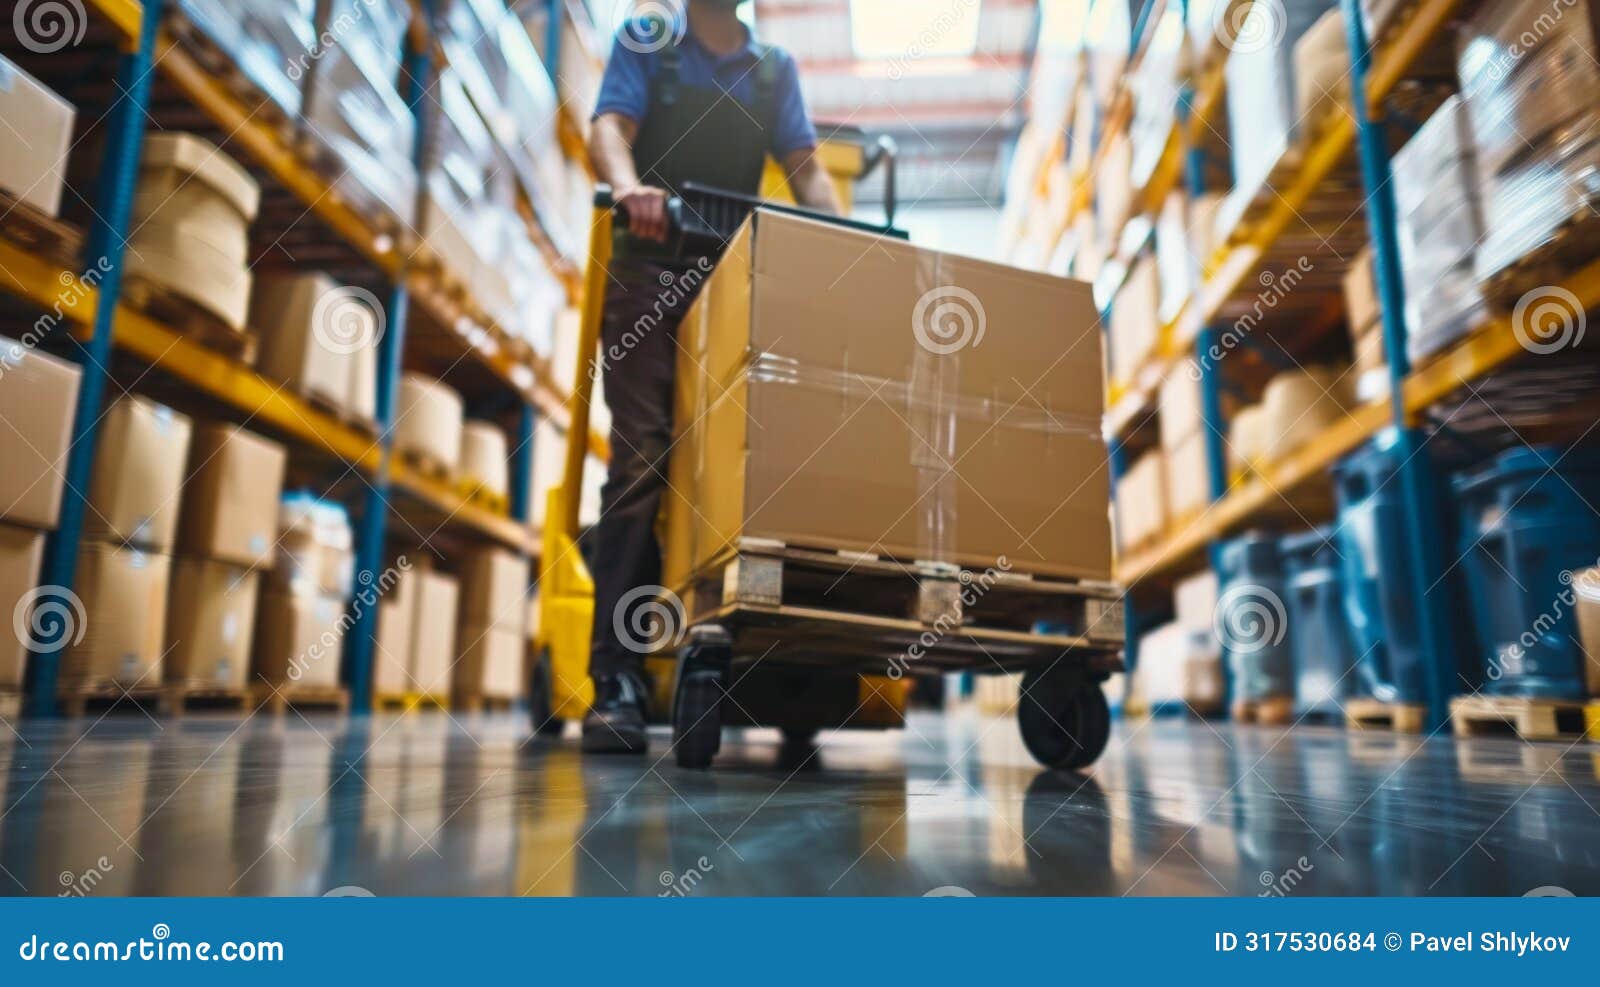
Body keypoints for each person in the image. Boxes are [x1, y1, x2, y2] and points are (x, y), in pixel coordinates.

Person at [582, 0, 841, 753]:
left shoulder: (773, 71)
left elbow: (807, 170)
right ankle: (616, 679)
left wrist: (844, 237)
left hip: (733, 276)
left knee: (755, 458)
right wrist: (631, 188)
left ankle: (766, 655)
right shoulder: (647, 42)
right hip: (650, 270)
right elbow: (609, 127)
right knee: (644, 458)